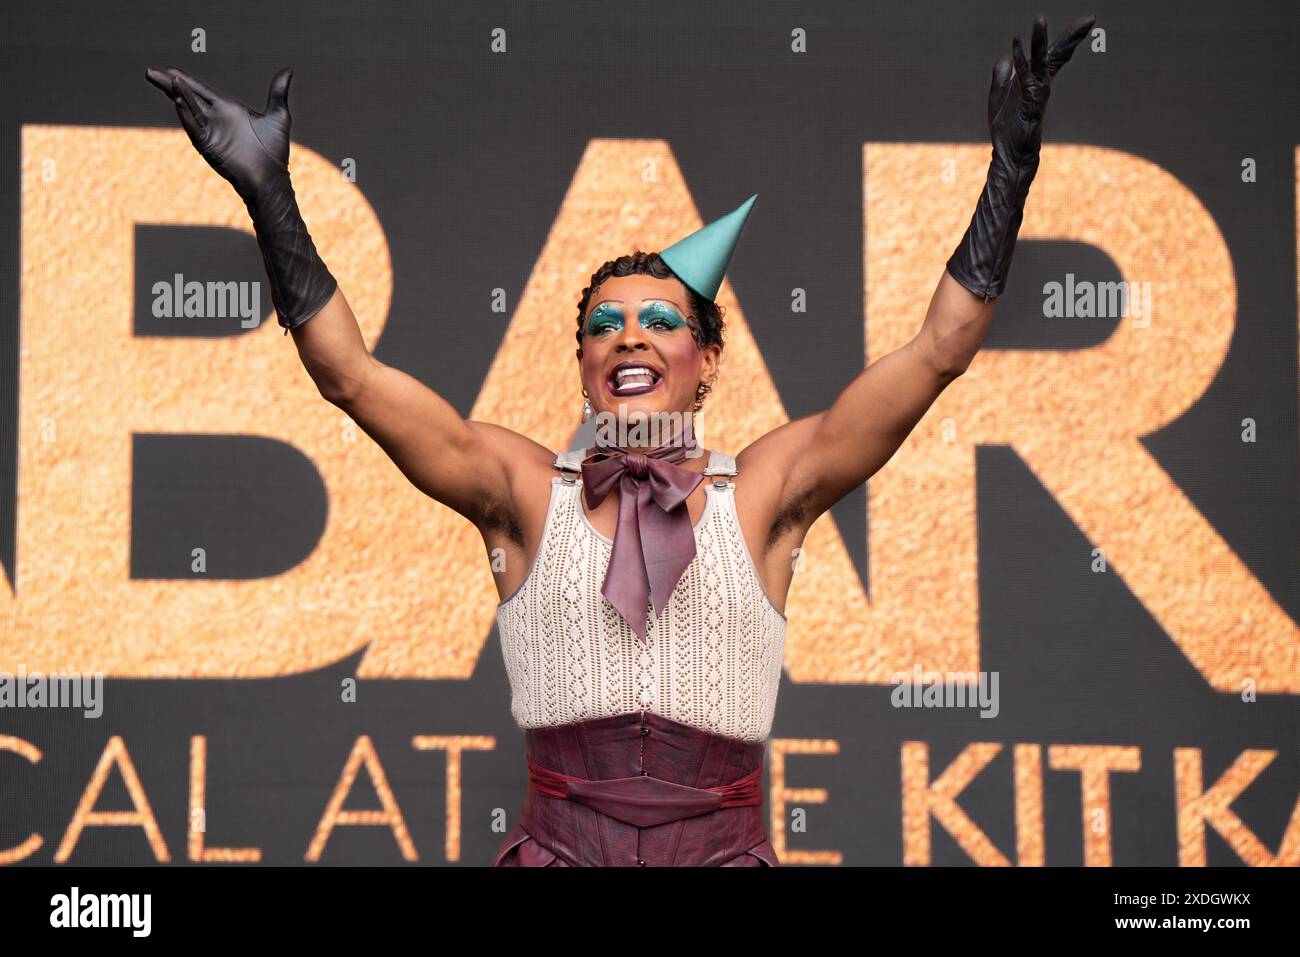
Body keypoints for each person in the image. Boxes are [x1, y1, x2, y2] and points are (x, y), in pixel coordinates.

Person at [145, 13, 1093, 867]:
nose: (629, 334)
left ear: (707, 357)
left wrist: (1011, 172)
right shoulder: (519, 487)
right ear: (585, 363)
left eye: (658, 319)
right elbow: (348, 374)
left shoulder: (765, 490)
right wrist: (270, 197)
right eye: (605, 323)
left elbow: (939, 351)